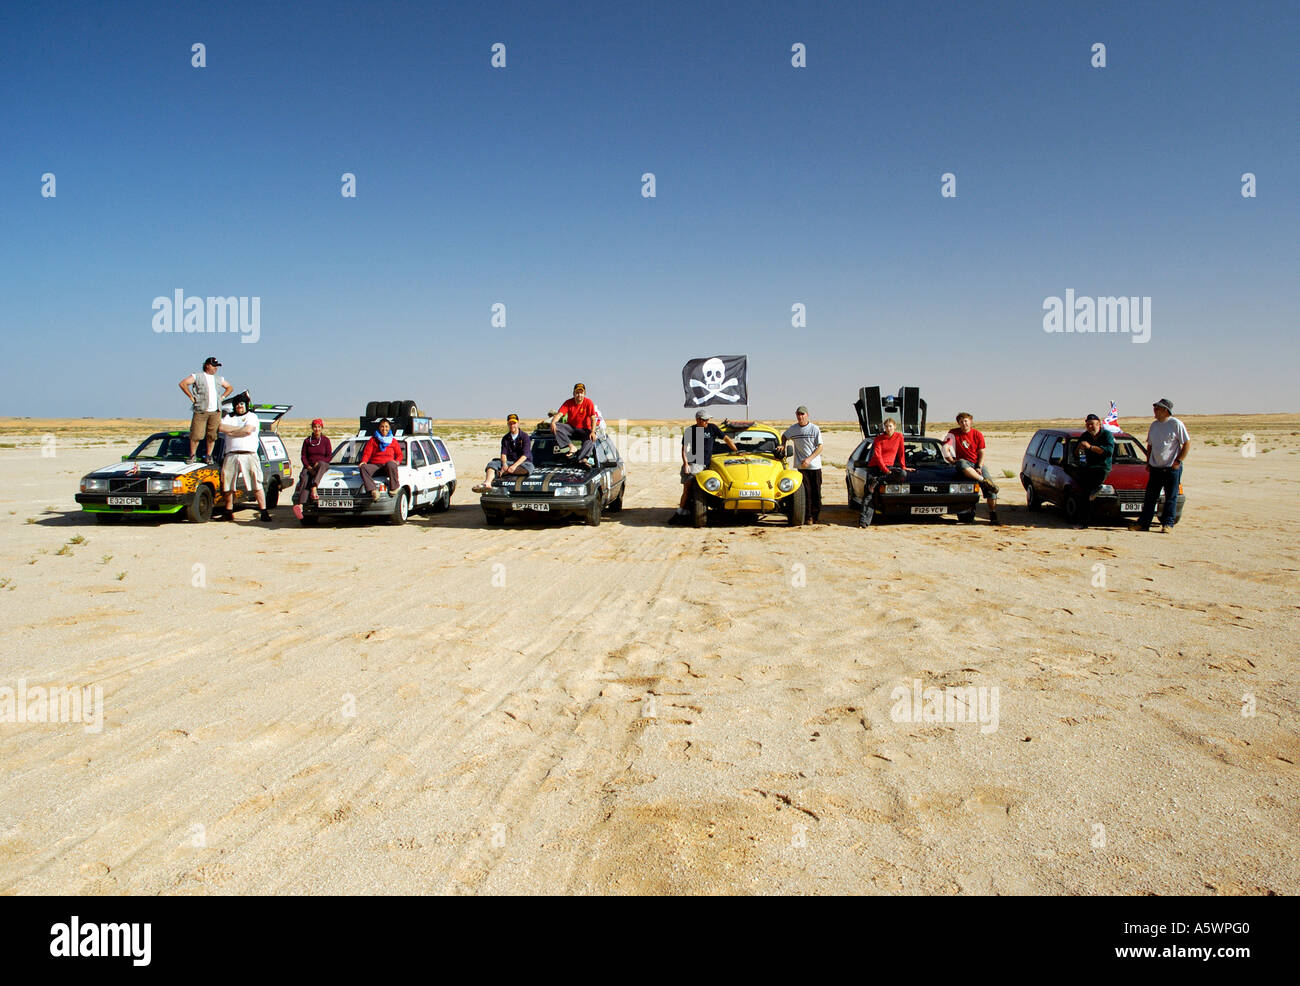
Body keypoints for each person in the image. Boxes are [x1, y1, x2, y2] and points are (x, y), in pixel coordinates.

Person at [1131, 397, 1190, 533]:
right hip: (1155, 467)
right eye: (1154, 408)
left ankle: (1168, 524)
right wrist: (1149, 461)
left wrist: (1178, 461)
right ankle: (1144, 523)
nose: (1155, 411)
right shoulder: (1154, 425)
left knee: (1171, 497)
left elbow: (1186, 443)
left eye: (1157, 408)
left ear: (1165, 410)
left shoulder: (1176, 424)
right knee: (1150, 497)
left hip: (1171, 468)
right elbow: (1150, 445)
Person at [673, 409, 738, 521]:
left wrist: (736, 450)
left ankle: (694, 510)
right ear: (698, 420)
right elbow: (684, 449)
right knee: (688, 487)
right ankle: (679, 514)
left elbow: (726, 438)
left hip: (707, 464)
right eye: (705, 420)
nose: (707, 421)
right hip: (694, 463)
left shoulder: (712, 428)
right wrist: (685, 464)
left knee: (706, 488)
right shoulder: (690, 430)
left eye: (708, 419)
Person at [216, 392, 271, 522]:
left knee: (256, 483)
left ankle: (263, 511)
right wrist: (239, 430)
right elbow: (221, 427)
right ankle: (228, 511)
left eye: (242, 403)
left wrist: (232, 431)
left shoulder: (252, 417)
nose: (239, 406)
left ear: (246, 404)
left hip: (249, 455)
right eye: (237, 404)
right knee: (228, 484)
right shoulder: (229, 417)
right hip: (231, 455)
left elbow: (247, 430)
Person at [858, 417, 914, 528]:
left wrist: (903, 466)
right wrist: (885, 470)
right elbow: (877, 456)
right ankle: (863, 522)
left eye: (890, 426)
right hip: (876, 466)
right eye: (886, 426)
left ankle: (877, 480)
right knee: (869, 494)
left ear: (895, 427)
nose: (888, 428)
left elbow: (901, 453)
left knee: (902, 473)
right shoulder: (878, 439)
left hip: (889, 467)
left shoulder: (899, 437)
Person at [948, 412, 1000, 525]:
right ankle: (983, 481)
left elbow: (981, 452)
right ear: (958, 423)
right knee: (961, 463)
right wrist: (951, 460)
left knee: (992, 489)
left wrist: (979, 466)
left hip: (976, 463)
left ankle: (993, 514)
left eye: (966, 421)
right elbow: (945, 448)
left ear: (970, 422)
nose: (964, 423)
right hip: (963, 463)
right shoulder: (953, 433)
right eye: (961, 421)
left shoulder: (977, 434)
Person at [178, 357, 233, 463]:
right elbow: (183, 384)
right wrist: (191, 396)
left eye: (216, 366)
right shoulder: (197, 376)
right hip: (201, 409)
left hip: (216, 411)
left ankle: (209, 455)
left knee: (212, 435)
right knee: (196, 434)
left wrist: (222, 397)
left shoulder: (219, 378)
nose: (215, 368)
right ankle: (192, 455)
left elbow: (229, 387)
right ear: (207, 365)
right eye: (213, 365)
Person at [1070, 413, 1115, 529]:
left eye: (1092, 424)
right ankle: (1083, 521)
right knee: (1083, 494)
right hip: (1087, 468)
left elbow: (1108, 452)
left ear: (1099, 424)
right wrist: (1079, 448)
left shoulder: (1107, 435)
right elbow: (1075, 454)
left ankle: (1096, 492)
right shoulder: (1085, 435)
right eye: (1088, 425)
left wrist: (1090, 447)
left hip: (1102, 468)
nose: (1090, 427)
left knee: (1091, 492)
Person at [781, 406, 824, 524]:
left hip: (814, 466)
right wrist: (783, 444)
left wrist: (809, 459)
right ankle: (808, 517)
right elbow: (784, 436)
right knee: (806, 493)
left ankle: (815, 516)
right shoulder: (793, 429)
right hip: (802, 467)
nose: (800, 417)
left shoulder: (814, 429)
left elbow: (820, 447)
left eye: (802, 414)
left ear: (807, 415)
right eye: (798, 414)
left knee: (816, 492)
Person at [473, 414, 533, 492]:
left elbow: (525, 455)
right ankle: (487, 483)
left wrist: (514, 466)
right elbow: (503, 453)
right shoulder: (505, 438)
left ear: (518, 423)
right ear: (508, 424)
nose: (512, 425)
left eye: (514, 423)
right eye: (510, 423)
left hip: (523, 464)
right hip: (509, 463)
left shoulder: (525, 437)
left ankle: (501, 473)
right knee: (491, 464)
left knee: (529, 468)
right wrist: (504, 464)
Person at [292, 418, 334, 520]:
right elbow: (303, 456)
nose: (317, 429)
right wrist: (308, 467)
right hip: (309, 466)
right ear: (312, 427)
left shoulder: (325, 440)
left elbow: (329, 456)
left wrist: (318, 464)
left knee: (322, 464)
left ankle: (314, 488)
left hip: (322, 465)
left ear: (322, 428)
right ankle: (301, 505)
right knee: (304, 478)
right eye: (315, 427)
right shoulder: (307, 441)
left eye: (319, 427)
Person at [549, 383, 600, 462]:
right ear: (573, 393)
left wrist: (593, 432)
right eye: (577, 393)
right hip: (571, 428)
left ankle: (582, 459)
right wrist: (552, 423)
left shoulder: (588, 402)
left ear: (584, 394)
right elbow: (559, 414)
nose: (579, 395)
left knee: (591, 438)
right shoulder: (568, 402)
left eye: (581, 393)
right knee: (556, 426)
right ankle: (572, 447)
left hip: (584, 430)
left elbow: (593, 418)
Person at [358, 417, 403, 500]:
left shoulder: (393, 441)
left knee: (391, 464)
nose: (384, 429)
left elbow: (400, 454)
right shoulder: (373, 440)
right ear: (379, 427)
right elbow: (367, 453)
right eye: (382, 426)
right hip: (375, 466)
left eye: (386, 426)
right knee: (363, 467)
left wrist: (397, 462)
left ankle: (394, 487)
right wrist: (364, 461)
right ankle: (373, 490)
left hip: (388, 467)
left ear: (389, 428)